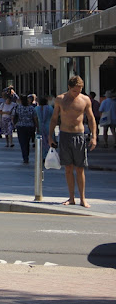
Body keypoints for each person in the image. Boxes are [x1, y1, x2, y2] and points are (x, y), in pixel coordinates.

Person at [49, 76, 97, 208]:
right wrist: (50, 136)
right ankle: (71, 198)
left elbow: (91, 118)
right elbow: (54, 118)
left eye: (80, 90)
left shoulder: (85, 99)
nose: (77, 93)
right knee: (68, 168)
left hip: (79, 135)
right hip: (64, 135)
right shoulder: (60, 99)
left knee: (80, 168)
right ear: (69, 88)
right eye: (75, 90)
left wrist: (94, 137)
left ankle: (82, 198)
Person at [14, 95, 38, 164]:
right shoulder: (31, 108)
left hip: (21, 126)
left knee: (22, 142)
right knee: (27, 142)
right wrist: (37, 126)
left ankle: (25, 156)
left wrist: (15, 124)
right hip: (30, 126)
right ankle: (26, 154)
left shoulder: (19, 108)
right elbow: (35, 118)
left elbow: (15, 116)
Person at [35, 96, 53, 160]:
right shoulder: (50, 108)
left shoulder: (36, 108)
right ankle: (49, 155)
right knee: (49, 141)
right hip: (49, 126)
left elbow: (35, 118)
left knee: (41, 142)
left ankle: (43, 156)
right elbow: (53, 117)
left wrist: (37, 127)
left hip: (40, 126)